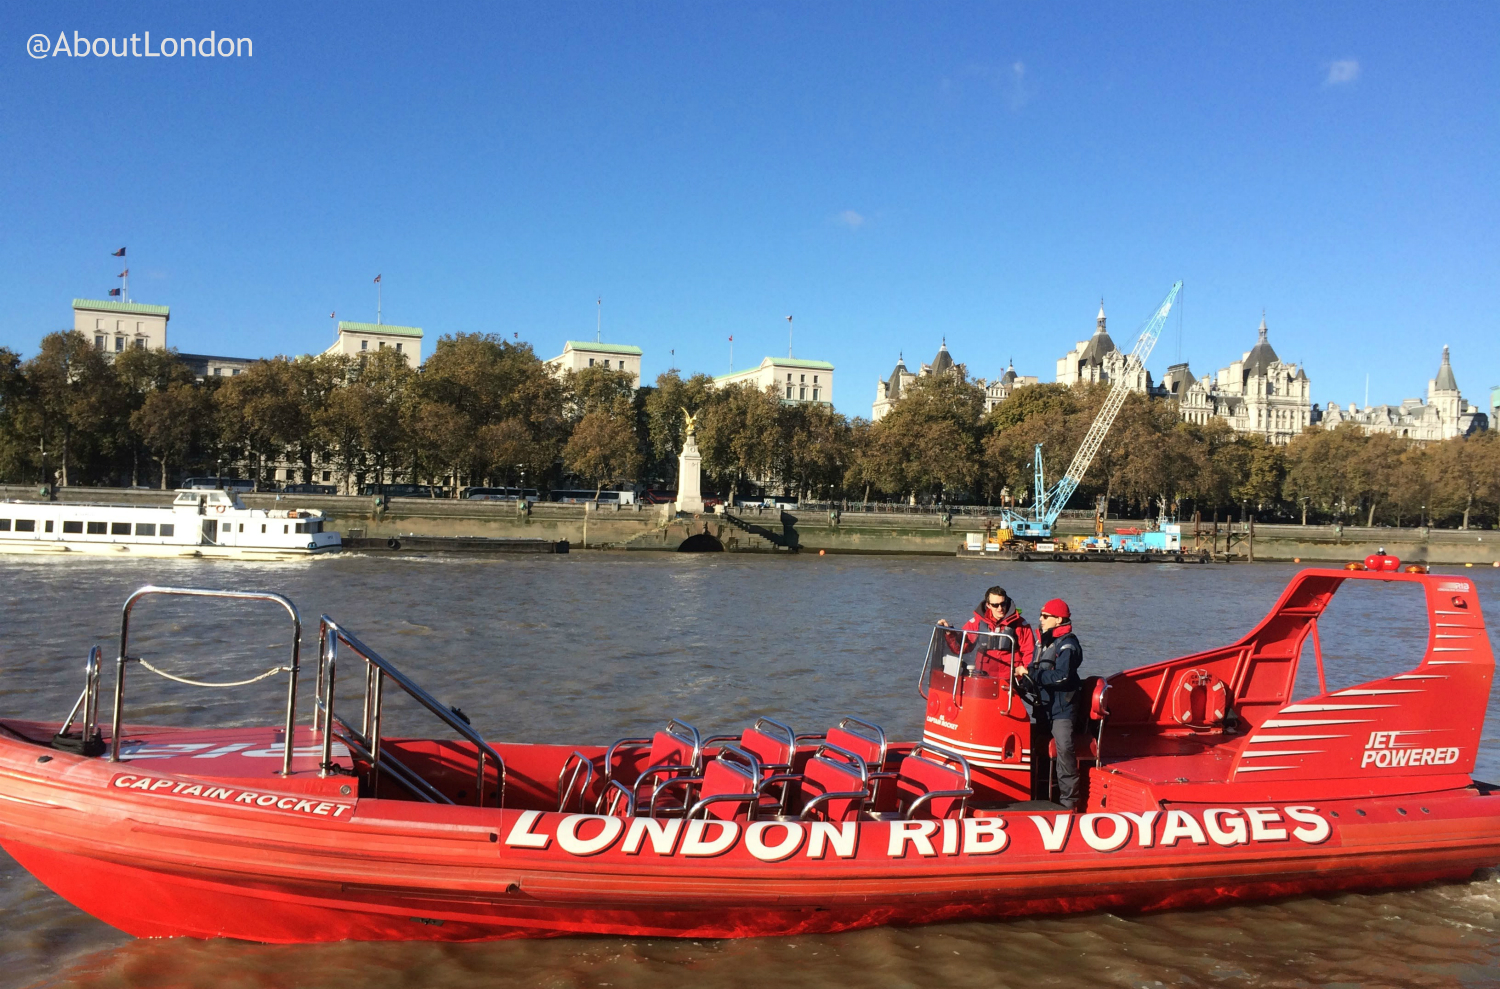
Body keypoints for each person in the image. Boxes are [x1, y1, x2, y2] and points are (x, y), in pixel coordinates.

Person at [1017, 598, 1084, 809]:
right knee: (1035, 747)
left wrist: (1032, 675)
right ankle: (1039, 794)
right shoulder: (1043, 642)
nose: (1041, 619)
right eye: (1041, 615)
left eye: (1046, 617)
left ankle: (1069, 802)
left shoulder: (1068, 645)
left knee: (1064, 749)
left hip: (1062, 708)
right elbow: (1035, 671)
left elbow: (1062, 676)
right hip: (1044, 707)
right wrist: (1021, 682)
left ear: (1059, 619)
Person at [936, 586, 1036, 678]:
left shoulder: (1020, 624)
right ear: (988, 605)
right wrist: (949, 633)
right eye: (995, 605)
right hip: (983, 676)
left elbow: (1029, 652)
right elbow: (961, 648)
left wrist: (1025, 674)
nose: (1000, 608)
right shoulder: (977, 622)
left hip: (1010, 677)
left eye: (1003, 604)